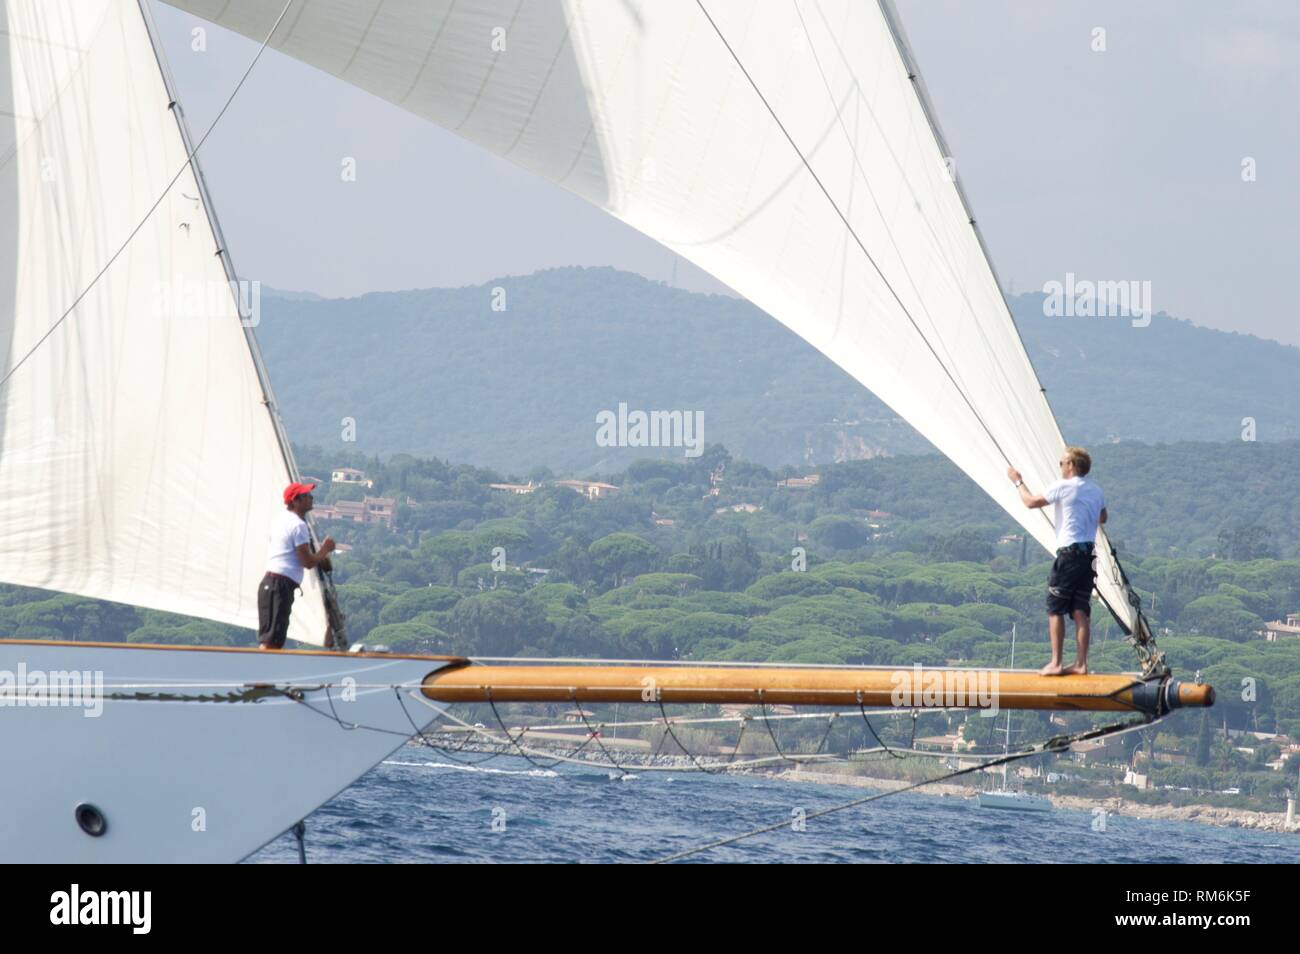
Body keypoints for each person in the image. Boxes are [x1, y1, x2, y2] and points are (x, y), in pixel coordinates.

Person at [1006, 447, 1107, 676]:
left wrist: (1017, 481)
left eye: (1062, 463)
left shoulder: (1063, 486)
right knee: (1081, 610)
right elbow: (1103, 517)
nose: (1060, 467)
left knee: (1055, 608)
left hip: (1069, 555)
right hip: (1089, 556)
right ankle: (1081, 664)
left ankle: (1056, 663)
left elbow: (1031, 502)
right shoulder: (1096, 490)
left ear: (1071, 465)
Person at [257, 481, 335, 650]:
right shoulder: (298, 525)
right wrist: (325, 549)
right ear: (295, 501)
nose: (311, 498)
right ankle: (263, 674)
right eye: (306, 496)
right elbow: (307, 562)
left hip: (272, 583)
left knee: (270, 639)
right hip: (280, 585)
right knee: (273, 640)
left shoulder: (280, 520)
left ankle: (263, 673)